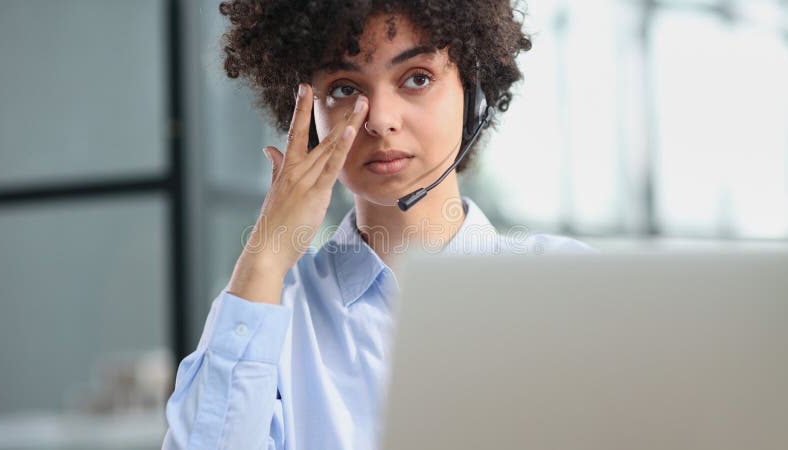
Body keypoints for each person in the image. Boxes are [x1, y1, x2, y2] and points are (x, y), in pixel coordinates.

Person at [162, 1, 594, 449]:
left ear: (475, 92)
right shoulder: (271, 312)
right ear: (308, 118)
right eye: (345, 89)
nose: (382, 120)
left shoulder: (569, 285)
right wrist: (268, 254)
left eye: (418, 79)